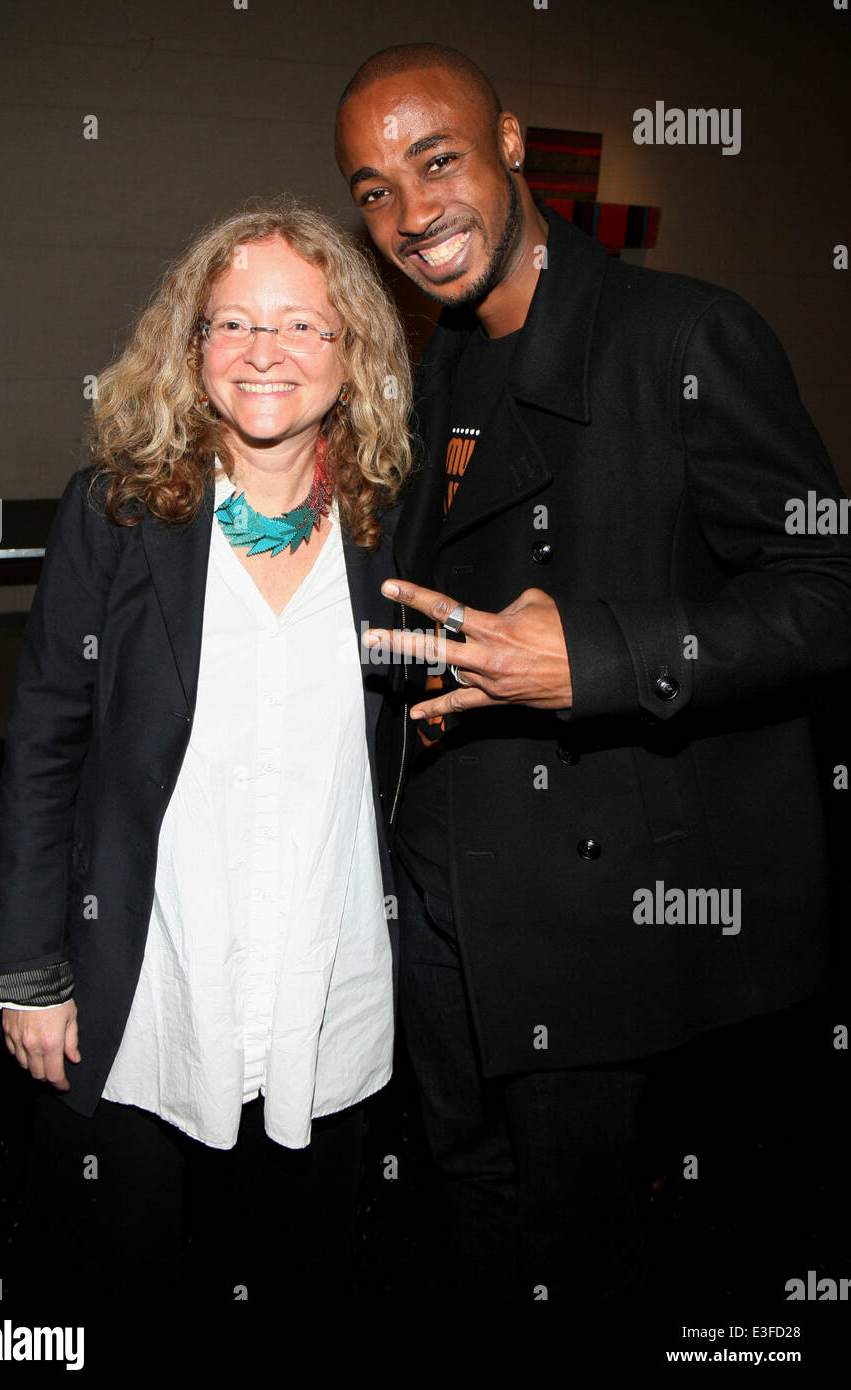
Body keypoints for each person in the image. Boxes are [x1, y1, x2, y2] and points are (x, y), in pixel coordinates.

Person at [335, 44, 851, 1301]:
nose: (411, 214)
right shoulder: (439, 362)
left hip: (590, 908)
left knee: (578, 1236)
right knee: (468, 1185)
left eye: (437, 161)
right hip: (434, 883)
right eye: (374, 191)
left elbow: (827, 586)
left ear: (512, 144)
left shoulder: (684, 334)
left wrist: (606, 655)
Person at [0, 197, 412, 1307]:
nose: (266, 350)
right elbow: (43, 746)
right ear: (193, 345)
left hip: (322, 979)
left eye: (304, 324)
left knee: (299, 1282)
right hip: (147, 980)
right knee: (106, 1284)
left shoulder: (392, 529)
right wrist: (28, 971)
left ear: (353, 353)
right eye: (235, 323)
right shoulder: (117, 513)